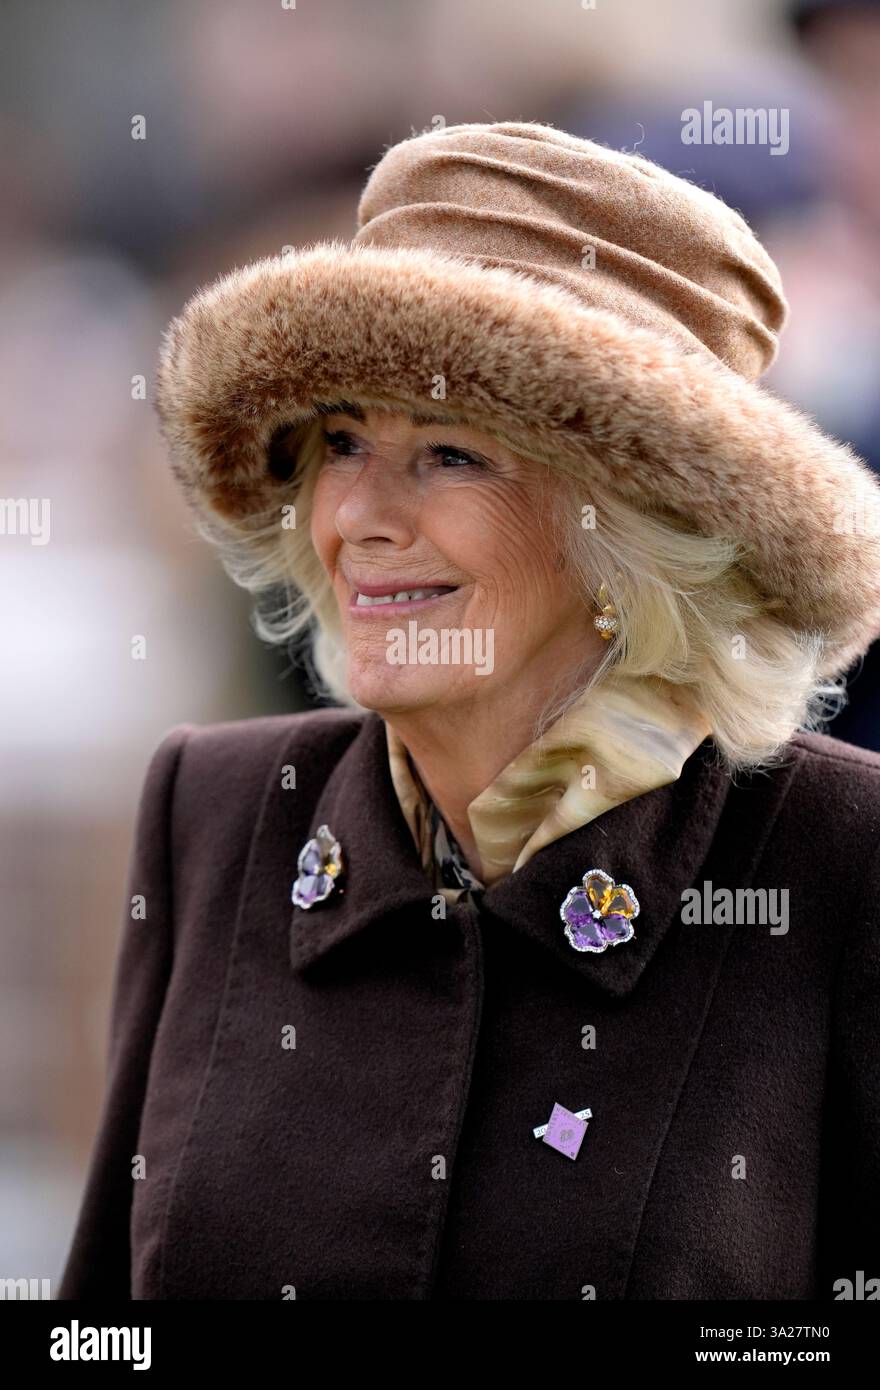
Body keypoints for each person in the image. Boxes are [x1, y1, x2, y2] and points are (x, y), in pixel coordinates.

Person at [58, 121, 880, 1300]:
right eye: (341, 441)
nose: (361, 518)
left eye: (449, 454)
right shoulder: (217, 814)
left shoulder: (840, 864)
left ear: (626, 529)